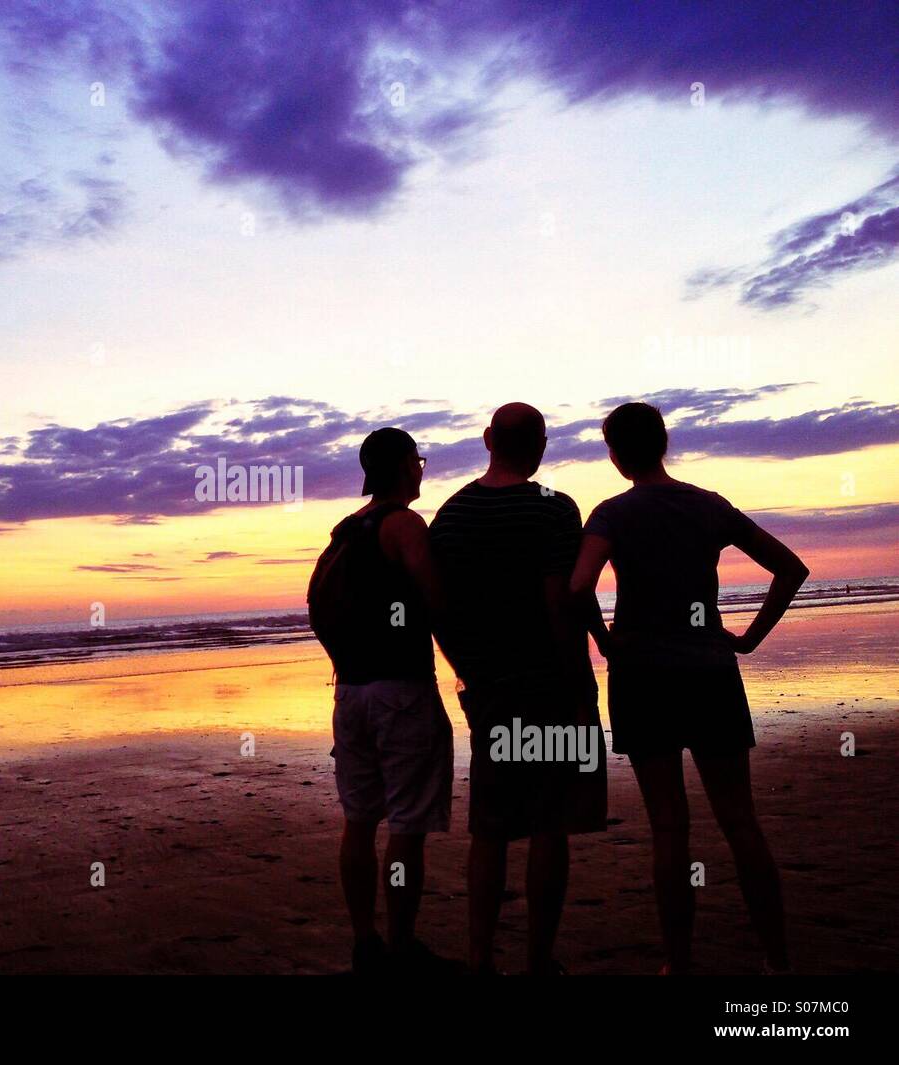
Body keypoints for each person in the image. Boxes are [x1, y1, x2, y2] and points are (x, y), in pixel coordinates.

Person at [570, 402, 808, 975]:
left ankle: (679, 963)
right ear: (664, 443)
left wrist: (605, 639)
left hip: (644, 677)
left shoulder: (611, 513)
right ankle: (777, 961)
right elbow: (790, 568)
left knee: (669, 825)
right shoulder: (708, 505)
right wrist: (748, 638)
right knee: (739, 818)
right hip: (709, 671)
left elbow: (579, 586)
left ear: (615, 454)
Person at [429, 403, 607, 976]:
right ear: (541, 446)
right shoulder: (554, 509)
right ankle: (538, 958)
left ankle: (480, 959)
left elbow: (437, 608)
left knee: (492, 824)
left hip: (490, 687)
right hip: (549, 683)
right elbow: (562, 598)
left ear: (487, 440)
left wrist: (467, 669)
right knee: (549, 823)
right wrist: (578, 676)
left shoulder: (451, 516)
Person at [307, 427, 454, 974]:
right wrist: (467, 673)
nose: (421, 470)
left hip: (350, 692)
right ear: (402, 468)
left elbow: (317, 607)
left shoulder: (345, 532)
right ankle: (401, 946)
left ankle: (365, 942)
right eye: (418, 461)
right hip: (402, 691)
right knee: (408, 826)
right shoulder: (404, 524)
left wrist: (348, 664)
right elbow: (437, 603)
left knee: (359, 821)